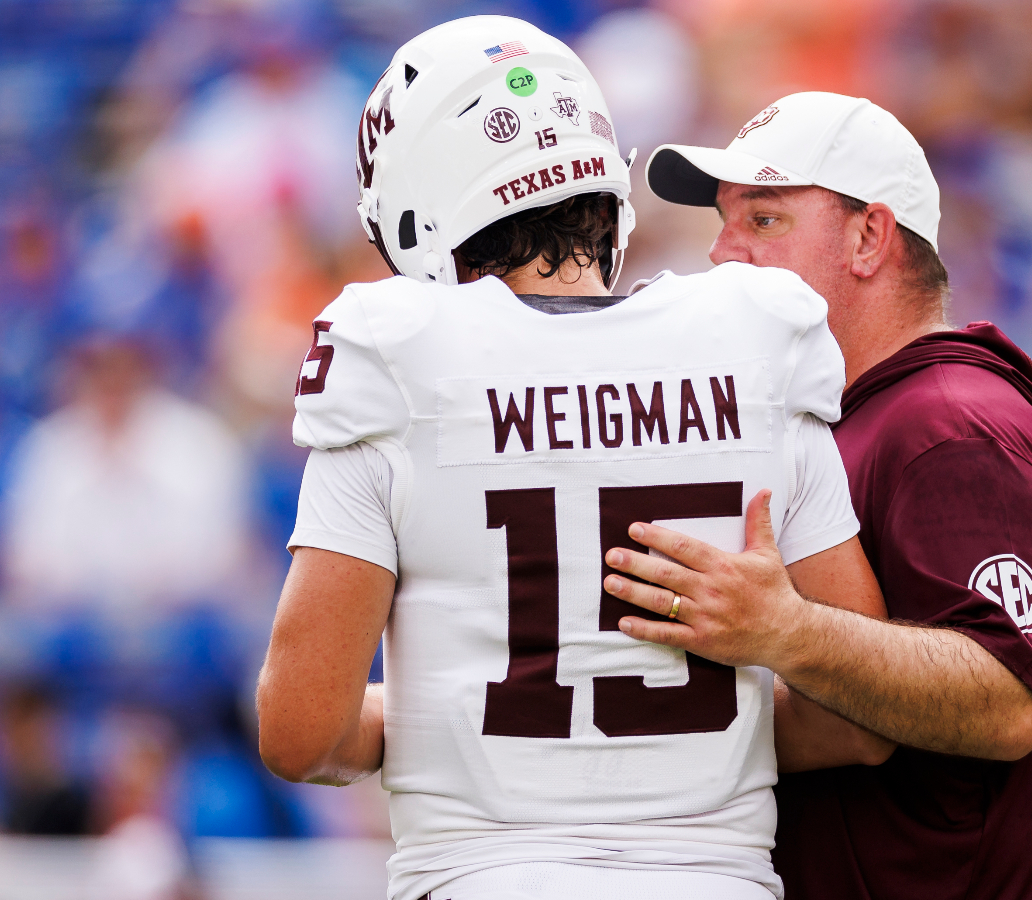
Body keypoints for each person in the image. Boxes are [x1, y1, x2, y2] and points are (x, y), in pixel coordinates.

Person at [254, 21, 890, 900]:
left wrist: (458, 723)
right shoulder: (761, 337)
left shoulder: (391, 359)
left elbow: (301, 731)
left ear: (419, 205)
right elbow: (856, 716)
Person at [605, 92, 1032, 899]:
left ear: (869, 237)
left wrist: (784, 630)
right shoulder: (867, 417)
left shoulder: (949, 424)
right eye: (724, 222)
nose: (724, 253)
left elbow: (1008, 697)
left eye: (765, 221)